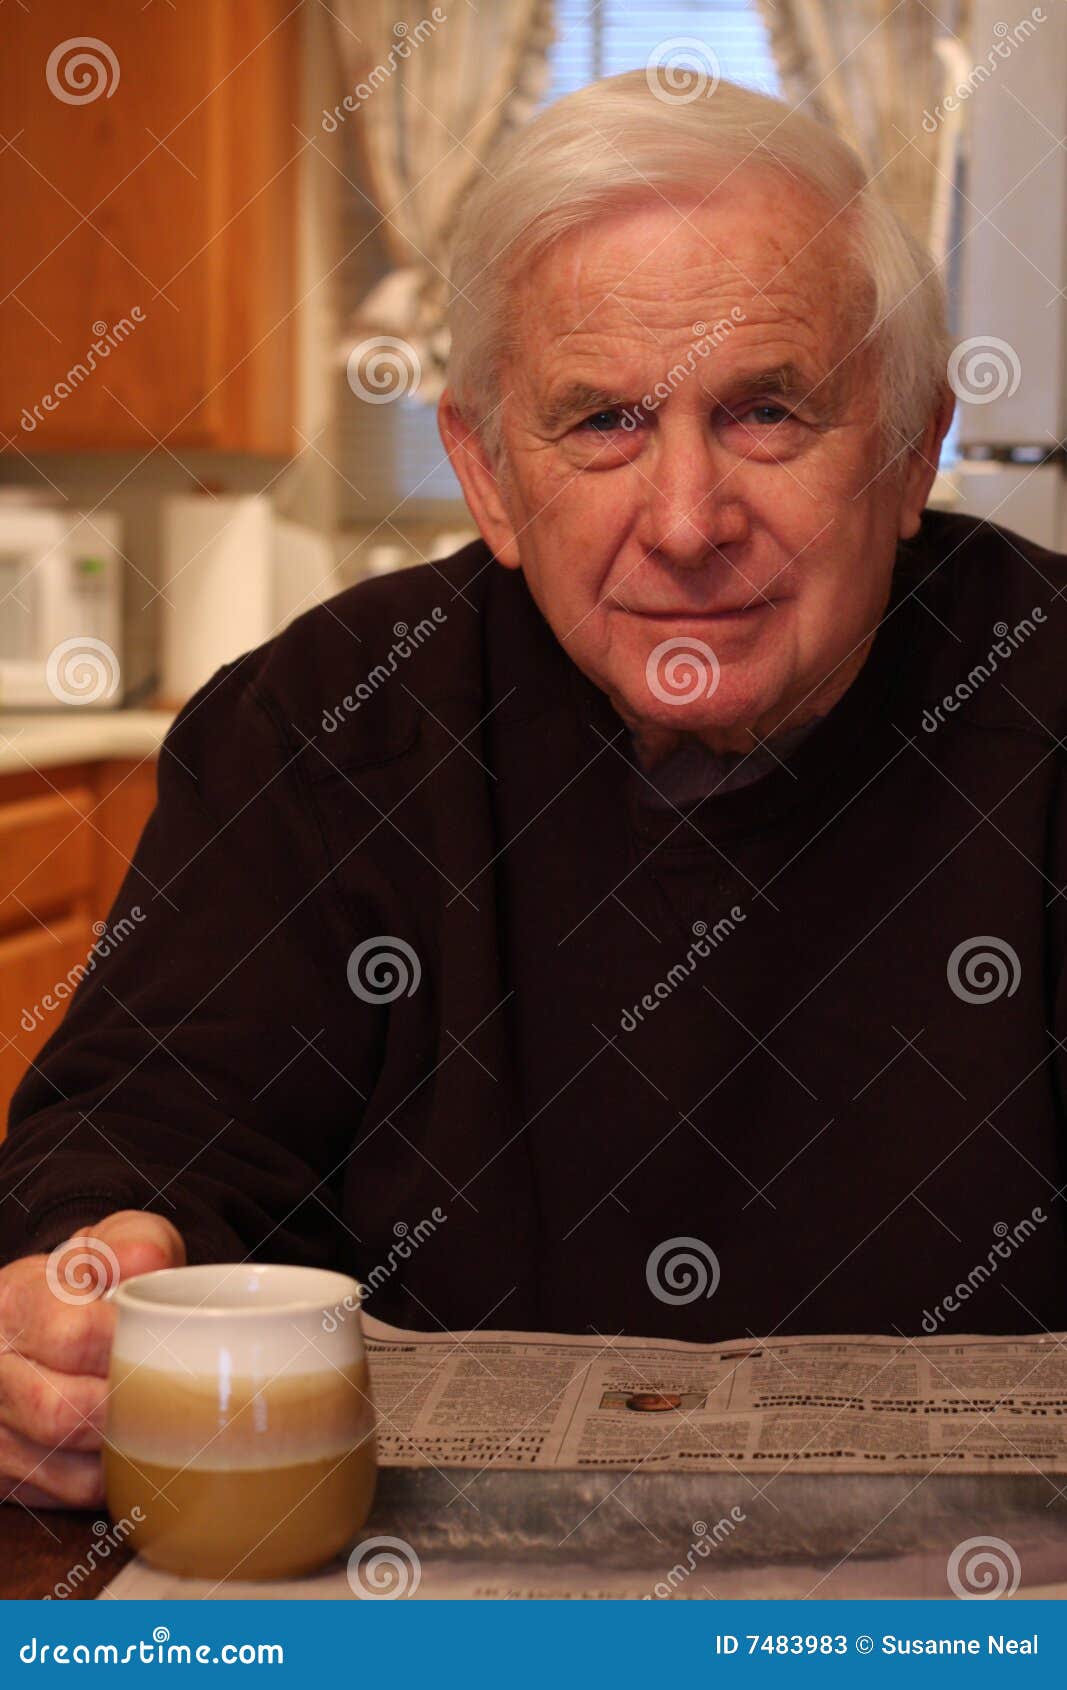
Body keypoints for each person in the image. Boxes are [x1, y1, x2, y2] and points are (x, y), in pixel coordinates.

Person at [2, 70, 1065, 1512]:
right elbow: (150, 1122)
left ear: (912, 447)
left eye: (767, 411)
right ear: (488, 474)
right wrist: (85, 1277)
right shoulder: (324, 720)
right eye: (604, 423)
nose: (687, 522)